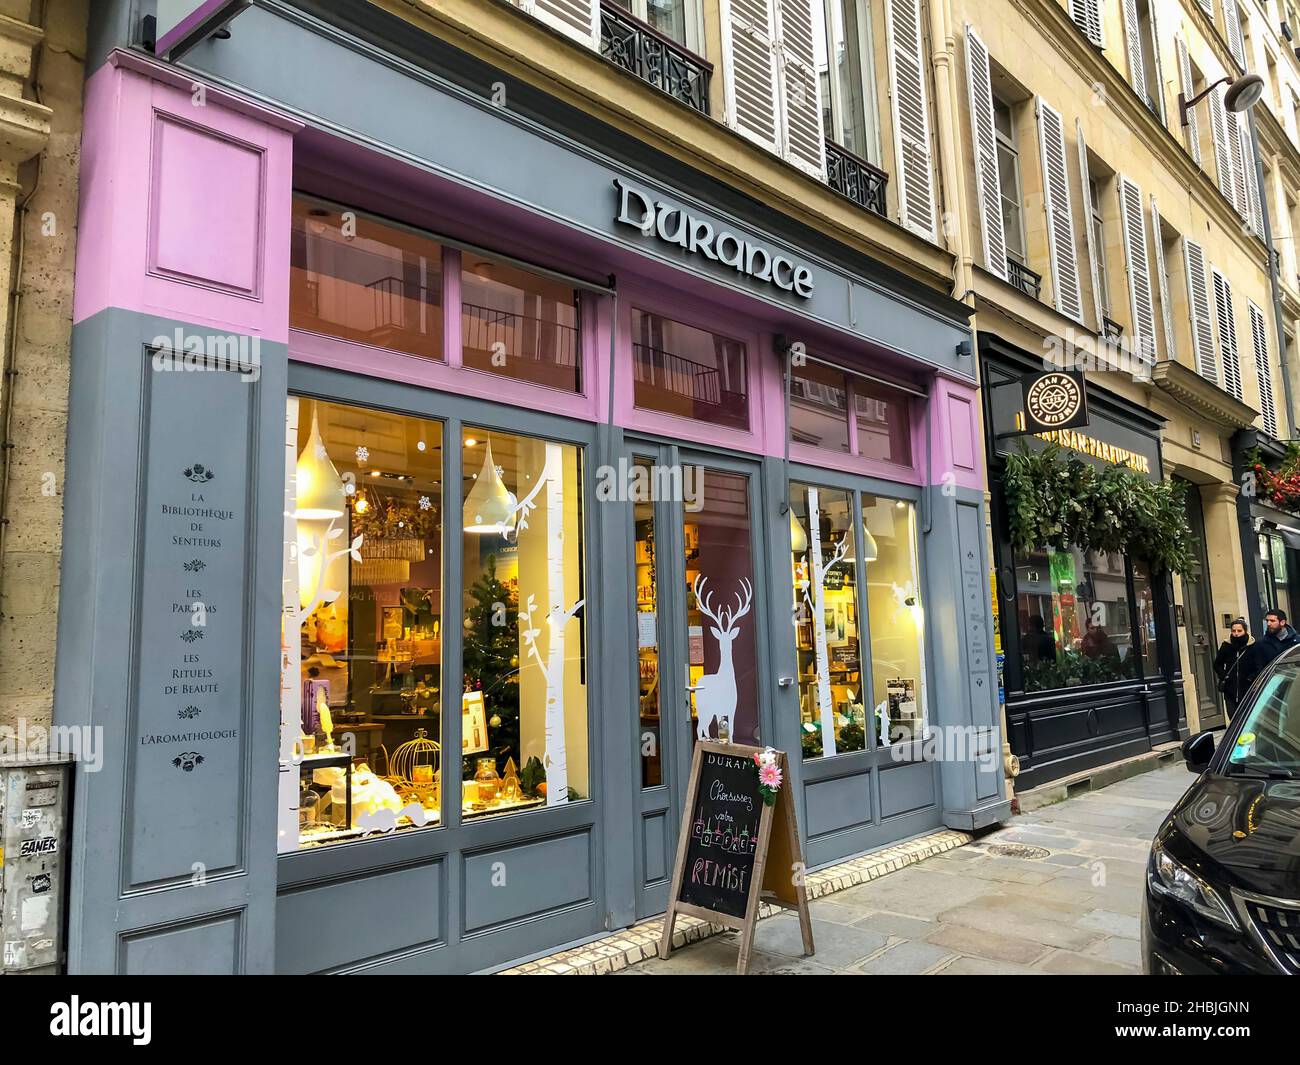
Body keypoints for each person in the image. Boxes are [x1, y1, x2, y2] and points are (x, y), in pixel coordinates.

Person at [1238, 609, 1299, 696]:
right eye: (1267, 621)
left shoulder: (1296, 641)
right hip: (1272, 689)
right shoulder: (1261, 644)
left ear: (1282, 622)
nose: (1269, 624)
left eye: (1272, 621)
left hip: (1294, 685)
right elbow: (1257, 667)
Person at [1213, 619, 1253, 719]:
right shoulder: (1226, 646)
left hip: (1247, 688)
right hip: (1230, 688)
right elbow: (1217, 664)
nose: (1236, 634)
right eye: (1233, 631)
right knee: (1233, 717)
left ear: (1245, 631)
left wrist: (1250, 678)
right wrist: (1224, 676)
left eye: (1239, 631)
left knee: (1246, 717)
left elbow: (1258, 665)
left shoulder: (1252, 646)